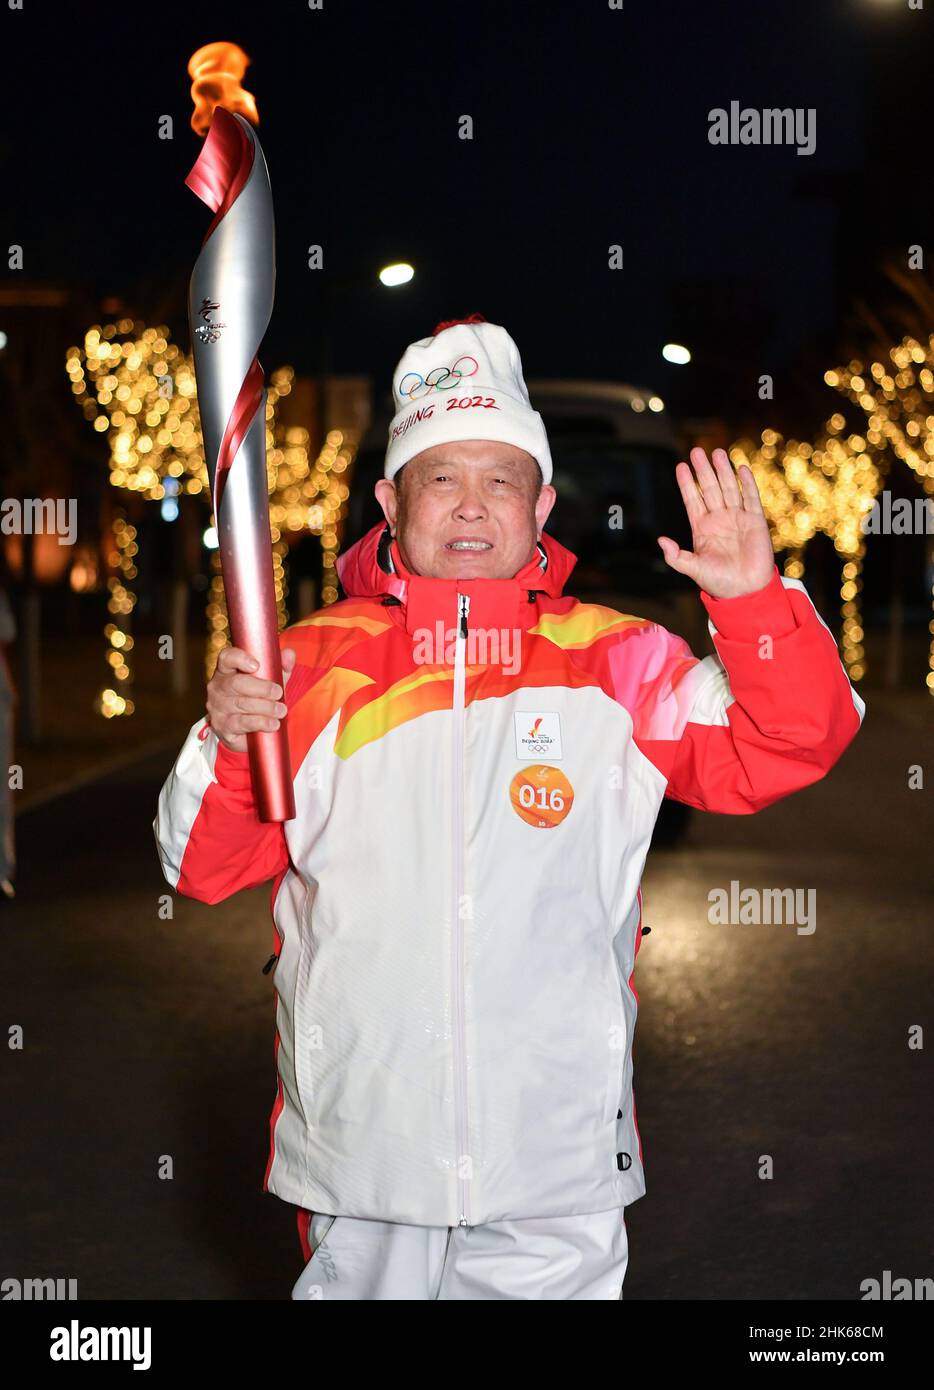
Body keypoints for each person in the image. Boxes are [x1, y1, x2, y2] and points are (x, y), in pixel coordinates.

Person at [153, 315, 865, 1300]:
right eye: (441, 477)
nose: (472, 507)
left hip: (554, 1145)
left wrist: (752, 608)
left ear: (541, 504)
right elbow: (200, 868)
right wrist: (229, 742)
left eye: (502, 479)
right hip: (366, 1141)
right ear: (390, 501)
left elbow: (793, 744)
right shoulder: (305, 663)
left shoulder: (619, 660)